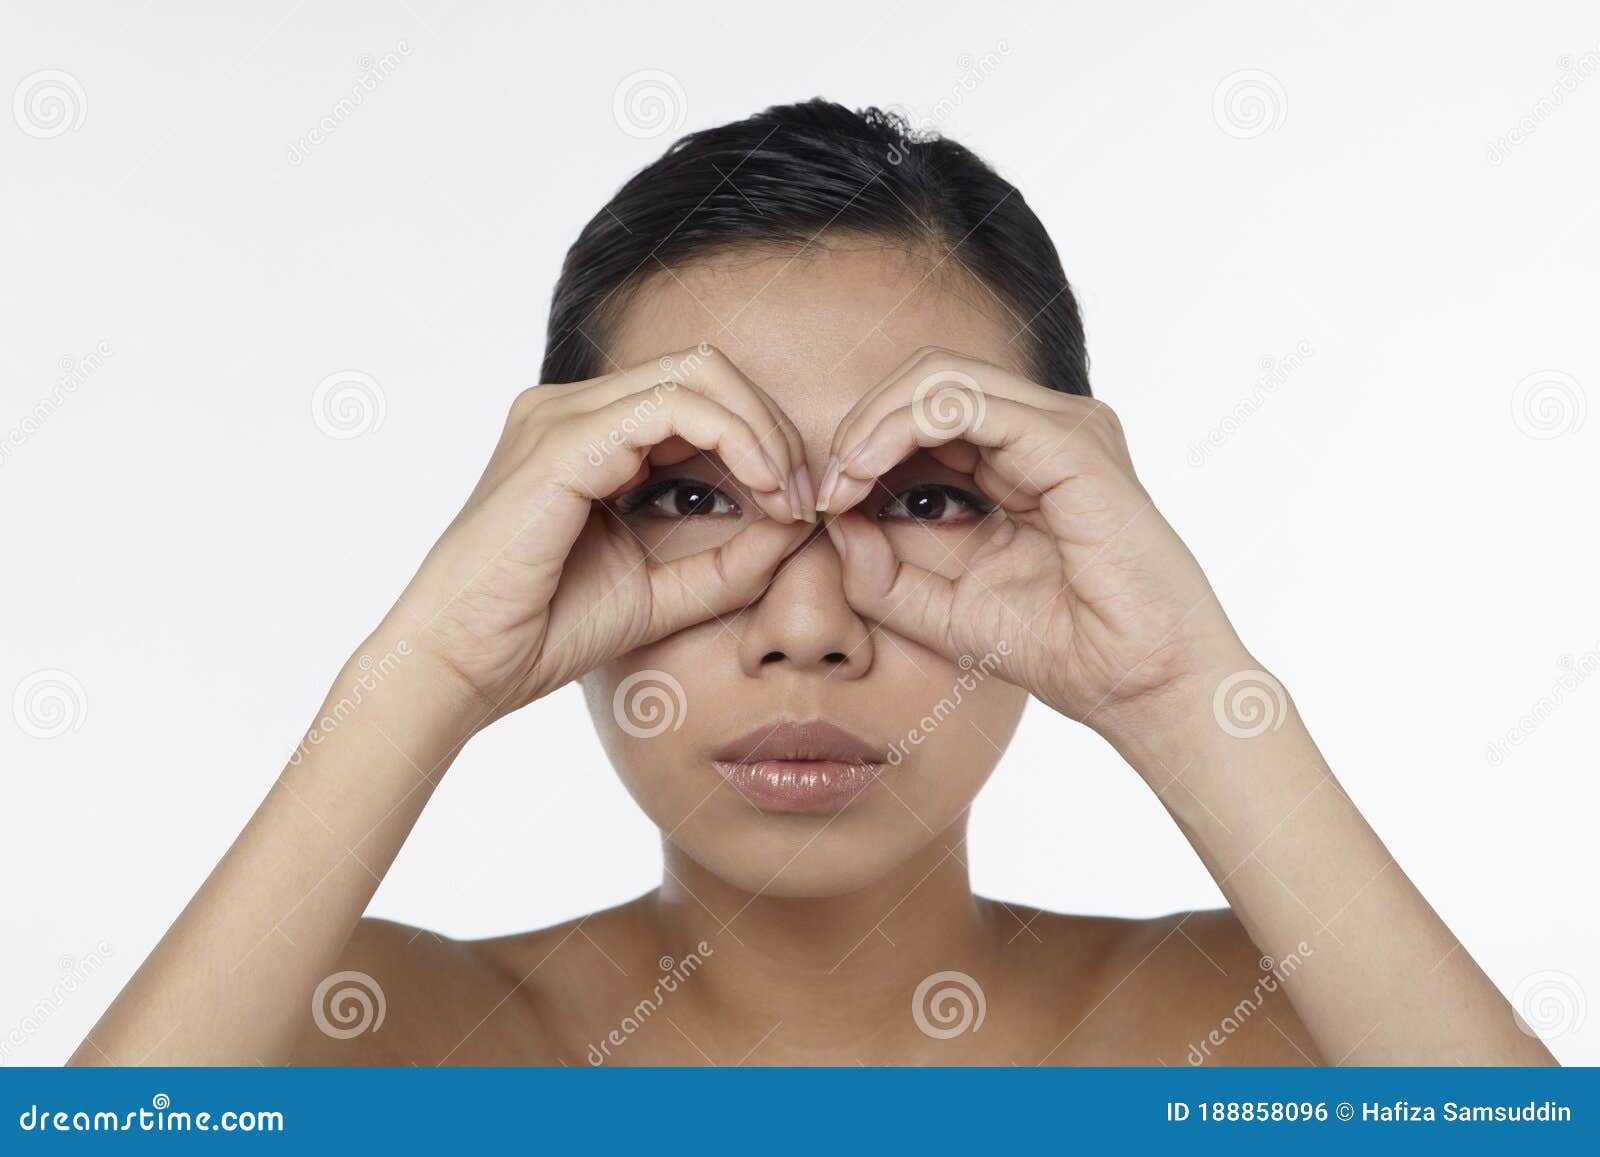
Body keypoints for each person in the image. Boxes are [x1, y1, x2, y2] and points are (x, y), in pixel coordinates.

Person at [72, 100, 1555, 1067]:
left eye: (925, 496)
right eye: (688, 495)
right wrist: (420, 672)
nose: (805, 628)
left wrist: (1187, 688)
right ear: (548, 519)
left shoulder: (1244, 1035)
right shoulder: (385, 1034)